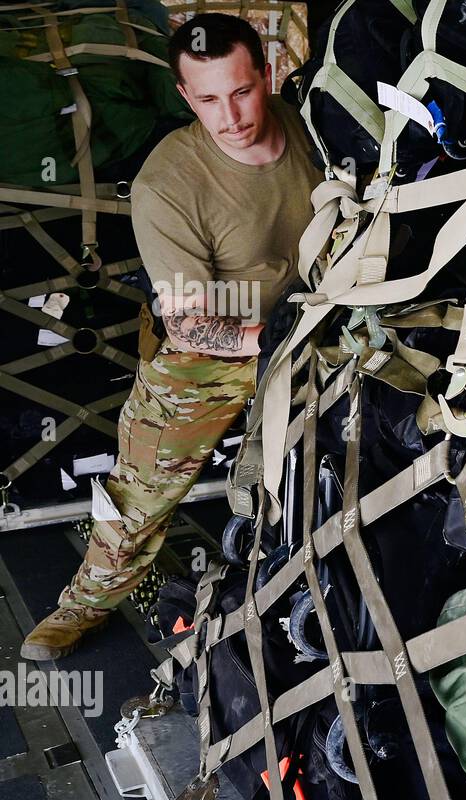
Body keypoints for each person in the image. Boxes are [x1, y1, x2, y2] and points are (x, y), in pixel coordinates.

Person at [21, 13, 324, 660]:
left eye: (242, 92)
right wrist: (271, 336)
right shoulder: (170, 182)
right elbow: (191, 322)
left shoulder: (309, 125)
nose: (232, 115)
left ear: (266, 76)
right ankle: (81, 607)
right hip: (210, 350)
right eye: (209, 99)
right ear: (186, 97)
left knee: (347, 457)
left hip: (316, 321)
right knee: (138, 495)